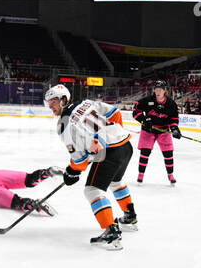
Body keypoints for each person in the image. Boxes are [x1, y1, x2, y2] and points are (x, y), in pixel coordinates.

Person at [46, 83, 137, 249]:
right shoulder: (85, 103)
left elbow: (79, 160)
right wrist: (113, 134)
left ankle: (111, 231)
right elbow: (114, 113)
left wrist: (71, 172)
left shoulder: (64, 125)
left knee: (92, 190)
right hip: (125, 144)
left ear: (64, 99)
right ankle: (130, 216)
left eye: (53, 102)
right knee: (114, 181)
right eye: (48, 103)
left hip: (110, 152)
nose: (50, 106)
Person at [132, 80, 180, 184]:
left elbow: (174, 118)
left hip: (163, 131)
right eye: (156, 89)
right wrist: (144, 120)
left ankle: (170, 175)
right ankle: (141, 174)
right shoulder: (147, 100)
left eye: (160, 90)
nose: (158, 92)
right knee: (145, 152)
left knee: (168, 153)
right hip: (148, 130)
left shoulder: (171, 104)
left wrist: (175, 129)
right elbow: (135, 111)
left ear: (165, 91)